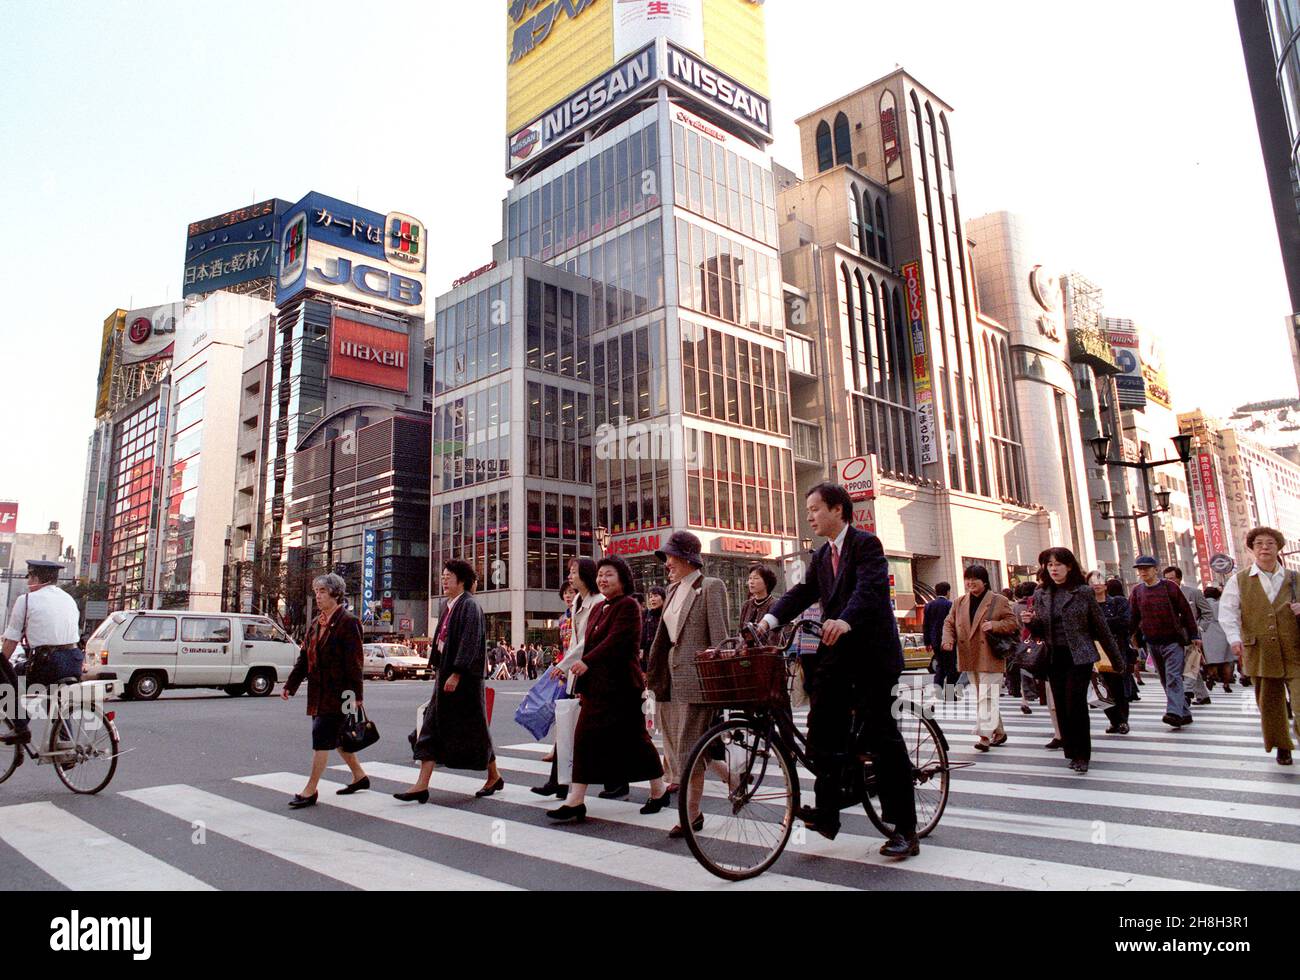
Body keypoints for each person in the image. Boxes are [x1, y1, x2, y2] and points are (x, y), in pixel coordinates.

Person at [758, 483, 919, 858]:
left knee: (881, 734)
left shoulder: (866, 545)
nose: (810, 516)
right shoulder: (822, 555)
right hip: (837, 655)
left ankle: (905, 828)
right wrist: (768, 620)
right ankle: (828, 813)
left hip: (873, 655)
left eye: (815, 509)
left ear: (838, 510)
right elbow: (801, 593)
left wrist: (845, 621)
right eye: (809, 510)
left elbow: (870, 590)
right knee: (821, 729)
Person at [547, 558, 669, 823]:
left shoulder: (628, 606)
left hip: (622, 688)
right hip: (597, 689)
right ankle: (575, 799)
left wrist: (586, 661)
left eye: (609, 575)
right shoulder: (602, 607)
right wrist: (574, 665)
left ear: (622, 578)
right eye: (600, 575)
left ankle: (659, 790)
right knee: (584, 739)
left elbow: (616, 642)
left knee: (636, 740)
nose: (603, 579)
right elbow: (587, 642)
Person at [645, 531, 731, 839]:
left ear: (686, 558)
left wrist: (718, 679)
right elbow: (663, 640)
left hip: (698, 681)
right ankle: (731, 782)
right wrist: (652, 678)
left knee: (687, 750)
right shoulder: (671, 590)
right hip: (670, 681)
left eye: (670, 557)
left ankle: (690, 815)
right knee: (683, 748)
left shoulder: (711, 587)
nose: (666, 563)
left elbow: (720, 637)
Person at [398, 560, 502, 802]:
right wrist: (435, 665)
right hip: (445, 675)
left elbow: (470, 642)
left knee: (475, 729)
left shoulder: (470, 606)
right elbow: (440, 640)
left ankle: (494, 775)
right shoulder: (449, 605)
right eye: (443, 576)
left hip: (465, 680)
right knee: (431, 725)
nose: (444, 580)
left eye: (449, 576)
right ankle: (421, 785)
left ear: (462, 580)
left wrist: (456, 673)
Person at [1021, 548, 1121, 774]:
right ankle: (1071, 750)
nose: (1054, 568)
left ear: (1070, 566)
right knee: (1062, 705)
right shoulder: (1041, 593)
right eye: (1050, 565)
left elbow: (1100, 627)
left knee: (1075, 704)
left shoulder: (1083, 592)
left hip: (1079, 655)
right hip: (1053, 656)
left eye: (1058, 564)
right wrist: (1029, 622)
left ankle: (1082, 755)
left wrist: (1116, 660)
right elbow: (1040, 631)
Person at [280, 573, 369, 809]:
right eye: (316, 591)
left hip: (339, 692)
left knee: (321, 737)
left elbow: (355, 662)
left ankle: (311, 790)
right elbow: (304, 658)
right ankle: (359, 776)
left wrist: (356, 696)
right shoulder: (316, 623)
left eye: (322, 591)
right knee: (338, 737)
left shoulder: (348, 621)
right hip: (319, 691)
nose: (318, 596)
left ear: (335, 594)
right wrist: (291, 684)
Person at [1218, 526, 1300, 765]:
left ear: (1278, 548)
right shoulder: (1240, 580)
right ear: (1253, 549)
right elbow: (1228, 612)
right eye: (1259, 544)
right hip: (1260, 650)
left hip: (1295, 649)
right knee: (1270, 703)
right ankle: (1281, 745)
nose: (1265, 547)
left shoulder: (1295, 577)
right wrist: (1234, 639)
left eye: (1270, 543)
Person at [536, 559, 612, 798]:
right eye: (569, 572)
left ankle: (615, 781)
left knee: (593, 732)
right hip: (576, 673)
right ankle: (557, 783)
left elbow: (586, 642)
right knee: (569, 727)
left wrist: (563, 665)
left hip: (591, 674)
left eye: (574, 572)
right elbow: (573, 642)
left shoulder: (598, 603)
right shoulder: (579, 601)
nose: (570, 576)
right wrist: (565, 667)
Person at [0, 560, 83, 747]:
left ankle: (20, 729)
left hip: (48, 661)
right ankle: (66, 744)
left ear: (36, 578)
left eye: (29, 577)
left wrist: (2, 662)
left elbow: (11, 640)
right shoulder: (68, 598)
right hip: (74, 659)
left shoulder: (27, 600)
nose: (28, 581)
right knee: (51, 699)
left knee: (8, 684)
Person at [941, 565, 1017, 751]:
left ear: (984, 580)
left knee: (986, 696)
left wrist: (995, 625)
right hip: (969, 655)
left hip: (990, 655)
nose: (970, 582)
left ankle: (984, 736)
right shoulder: (959, 602)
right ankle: (999, 732)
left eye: (975, 578)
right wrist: (948, 640)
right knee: (983, 697)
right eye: (968, 578)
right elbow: (949, 623)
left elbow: (1012, 623)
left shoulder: (999, 600)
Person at [1129, 556, 1199, 729]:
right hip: (1152, 642)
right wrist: (1127, 637)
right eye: (1140, 569)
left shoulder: (1170, 587)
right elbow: (1132, 618)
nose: (1143, 572)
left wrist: (1194, 635)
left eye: (1146, 568)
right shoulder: (1137, 591)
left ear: (1156, 569)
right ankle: (1184, 712)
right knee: (1164, 678)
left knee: (1173, 676)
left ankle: (1174, 713)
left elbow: (1186, 612)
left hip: (1173, 641)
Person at [1164, 566, 1213, 706]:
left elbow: (1207, 613)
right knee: (1188, 664)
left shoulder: (1193, 593)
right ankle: (1203, 695)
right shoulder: (1163, 594)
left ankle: (1187, 692)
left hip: (1192, 634)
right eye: (1167, 579)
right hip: (1172, 635)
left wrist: (1200, 628)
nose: (1170, 581)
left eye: (1172, 578)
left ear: (1179, 578)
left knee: (1191, 661)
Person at [1090, 572, 1132, 735]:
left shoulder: (1118, 602)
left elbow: (1125, 622)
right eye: (1092, 582)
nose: (1096, 584)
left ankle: (1122, 721)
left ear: (1106, 585)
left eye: (1100, 581)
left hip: (1116, 649)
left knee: (1118, 688)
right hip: (1094, 650)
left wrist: (1099, 624)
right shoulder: (1086, 604)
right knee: (1100, 688)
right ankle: (1115, 720)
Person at [923, 583, 957, 702]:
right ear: (947, 591)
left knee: (940, 666)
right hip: (949, 640)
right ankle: (950, 694)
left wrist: (927, 642)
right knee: (952, 667)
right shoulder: (950, 605)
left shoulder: (928, 605)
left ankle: (937, 692)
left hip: (935, 641)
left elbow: (926, 625)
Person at [1200, 586, 1234, 693]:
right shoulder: (1222, 605)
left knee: (1212, 660)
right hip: (1223, 631)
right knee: (1227, 660)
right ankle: (1226, 684)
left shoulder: (1202, 605)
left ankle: (1211, 675)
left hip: (1208, 632)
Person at [739, 565, 779, 629]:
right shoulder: (746, 605)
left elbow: (775, 635)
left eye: (755, 578)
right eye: (750, 578)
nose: (751, 582)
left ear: (766, 582)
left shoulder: (775, 604)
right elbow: (741, 630)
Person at [640, 586, 666, 672]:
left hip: (664, 652)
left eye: (655, 596)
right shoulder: (647, 614)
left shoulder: (667, 613)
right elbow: (643, 633)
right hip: (650, 653)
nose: (652, 599)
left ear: (663, 598)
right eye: (650, 597)